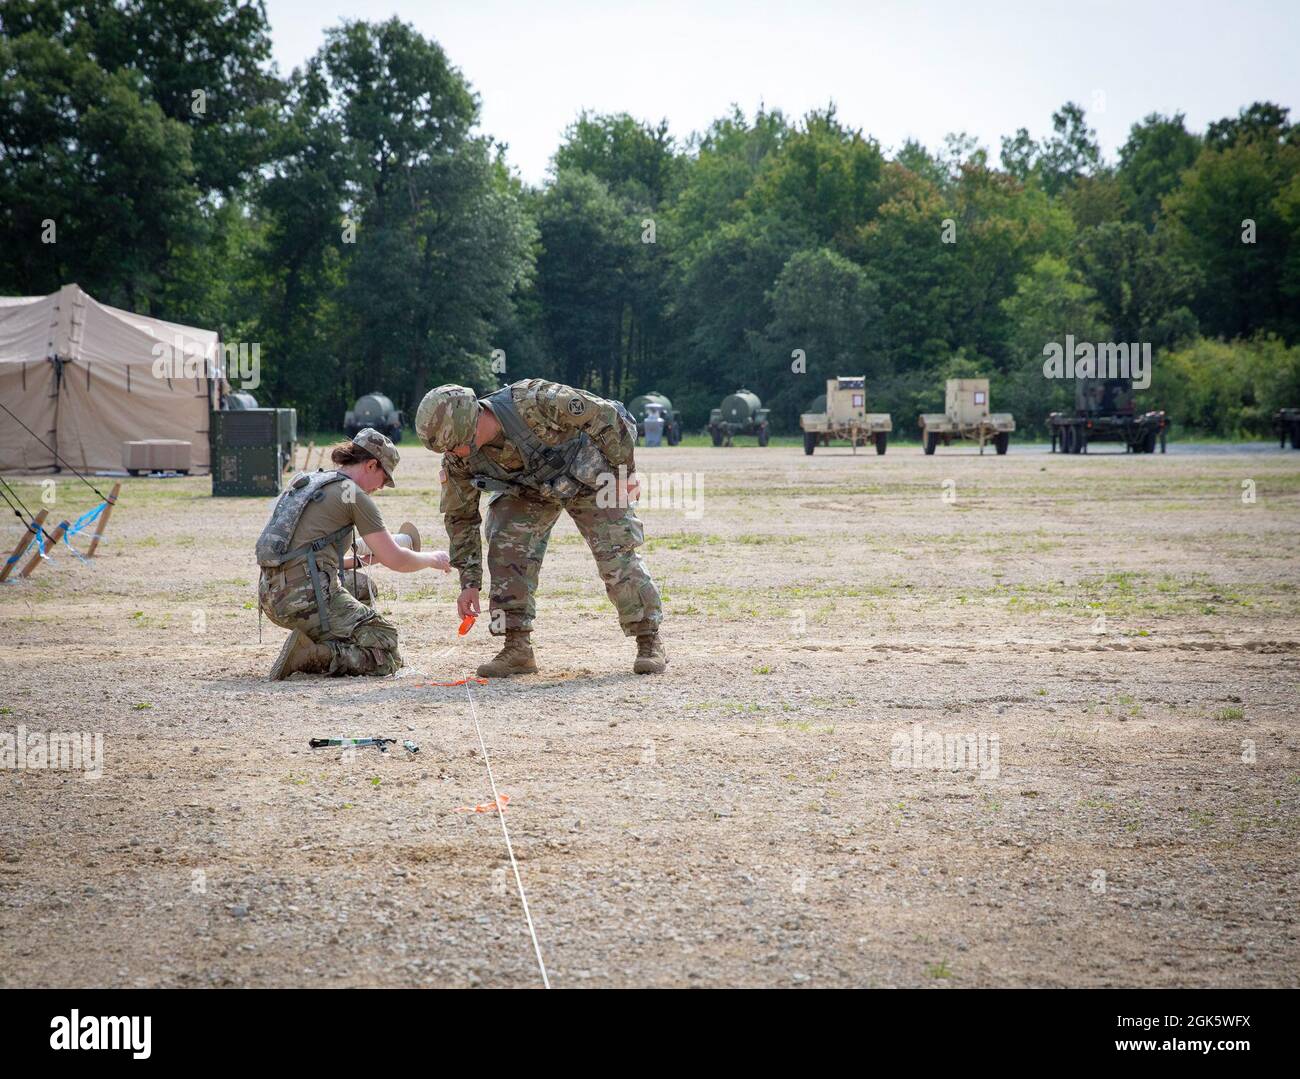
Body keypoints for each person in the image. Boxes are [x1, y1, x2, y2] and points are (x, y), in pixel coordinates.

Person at [415, 379, 667, 677]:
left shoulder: (535, 401)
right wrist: (469, 582)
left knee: (616, 551)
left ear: (471, 422)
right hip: (531, 490)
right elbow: (461, 518)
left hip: (592, 473)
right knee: (506, 545)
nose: (454, 454)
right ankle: (516, 648)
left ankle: (648, 640)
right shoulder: (458, 458)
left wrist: (626, 473)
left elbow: (606, 416)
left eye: (455, 445)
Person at [257, 427, 450, 679]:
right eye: (384, 477)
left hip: (271, 596)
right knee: (385, 645)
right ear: (371, 465)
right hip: (302, 600)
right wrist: (433, 559)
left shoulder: (309, 482)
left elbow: (299, 553)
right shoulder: (353, 495)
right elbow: (396, 559)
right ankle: (314, 653)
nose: (381, 487)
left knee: (361, 587)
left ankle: (328, 637)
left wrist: (355, 562)